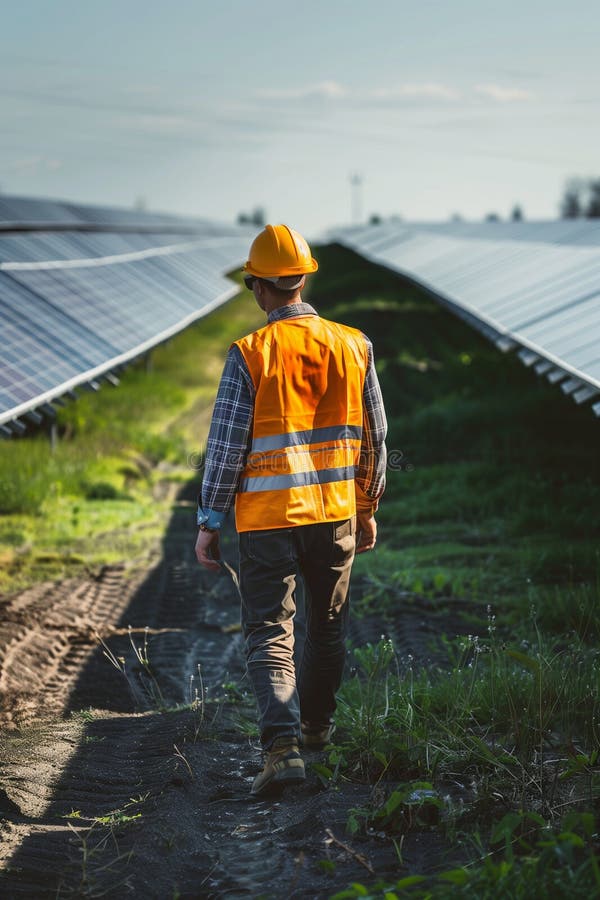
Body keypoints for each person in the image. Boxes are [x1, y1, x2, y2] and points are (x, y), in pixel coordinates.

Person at [195, 224, 387, 797]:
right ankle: (317, 729)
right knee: (327, 628)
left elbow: (227, 446)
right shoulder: (355, 345)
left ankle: (282, 751)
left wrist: (209, 521)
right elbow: (374, 436)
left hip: (267, 520)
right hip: (334, 514)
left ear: (259, 287)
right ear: (302, 280)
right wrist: (367, 505)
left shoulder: (250, 355)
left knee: (270, 631)